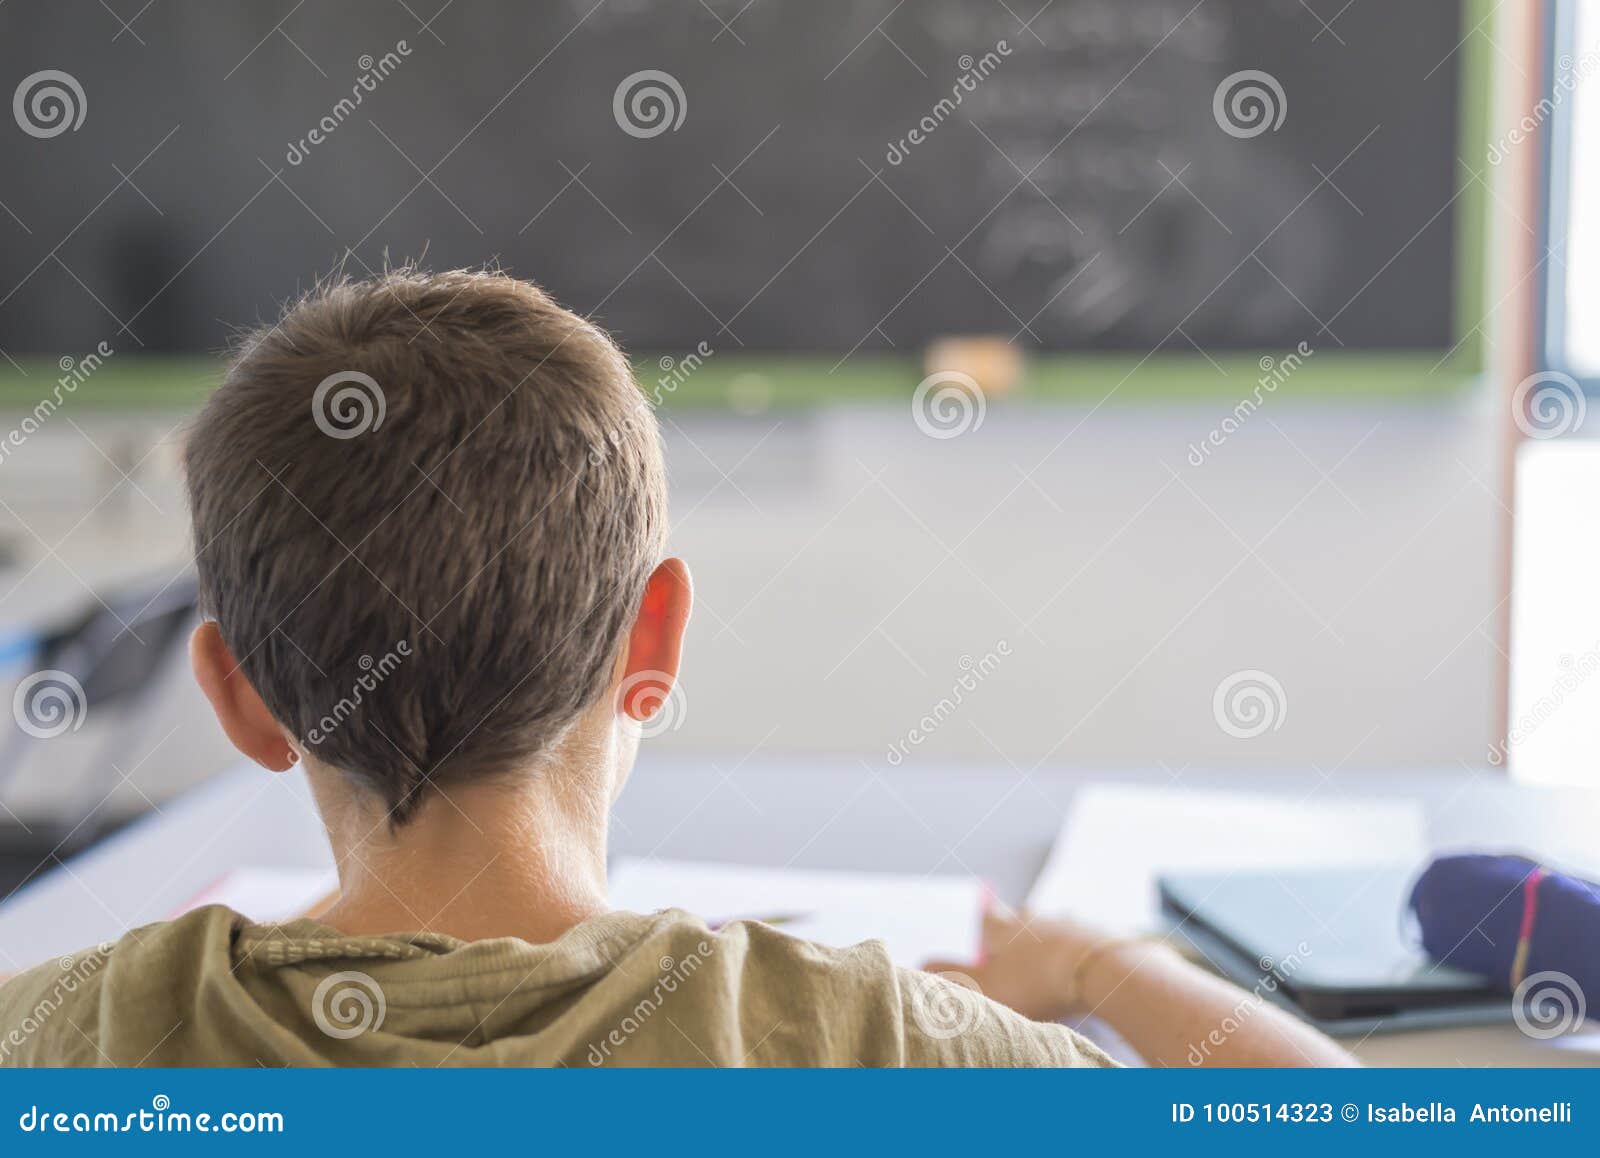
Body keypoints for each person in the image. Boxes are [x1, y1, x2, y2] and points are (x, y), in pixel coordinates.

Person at [0, 268, 1353, 1067]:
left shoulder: (78, 1033)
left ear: (238, 695)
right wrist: (1101, 964)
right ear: (656, 641)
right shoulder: (849, 1039)